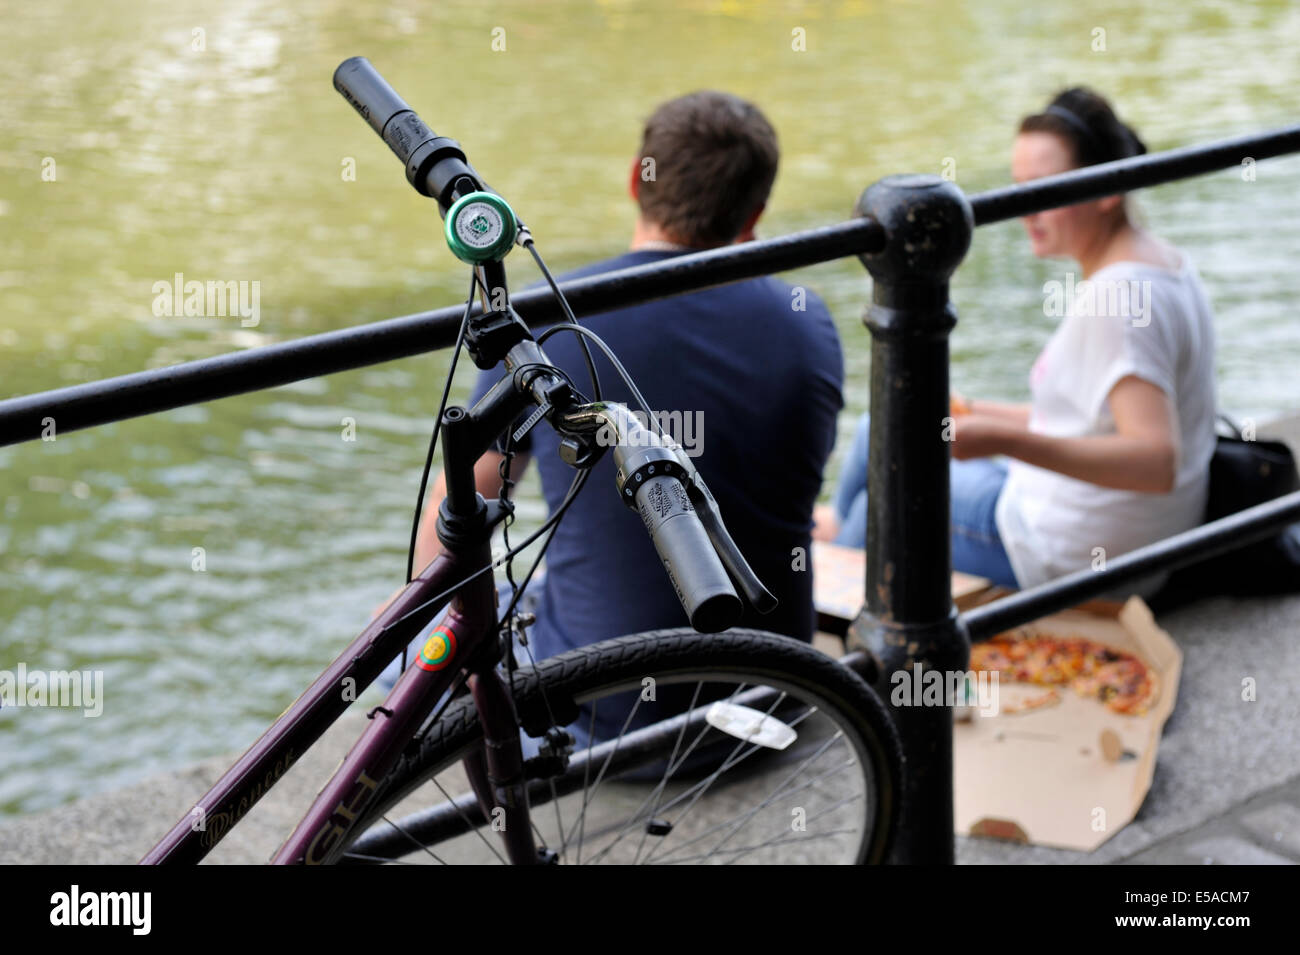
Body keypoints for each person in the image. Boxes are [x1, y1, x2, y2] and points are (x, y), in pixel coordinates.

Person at [378, 91, 844, 734]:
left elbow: (455, 519)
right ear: (756, 212)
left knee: (413, 624)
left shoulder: (545, 326)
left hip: (602, 714)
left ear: (637, 180)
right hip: (773, 693)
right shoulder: (808, 321)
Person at [816, 87, 1217, 597]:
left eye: (1044, 189)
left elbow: (1156, 462)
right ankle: (835, 538)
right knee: (890, 422)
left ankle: (838, 608)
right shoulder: (1162, 262)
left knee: (889, 495)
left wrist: (1002, 440)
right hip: (1123, 534)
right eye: (1019, 188)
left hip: (1069, 552)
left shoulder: (1119, 297)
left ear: (1105, 190)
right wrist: (978, 411)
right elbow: (1087, 422)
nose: (1028, 209)